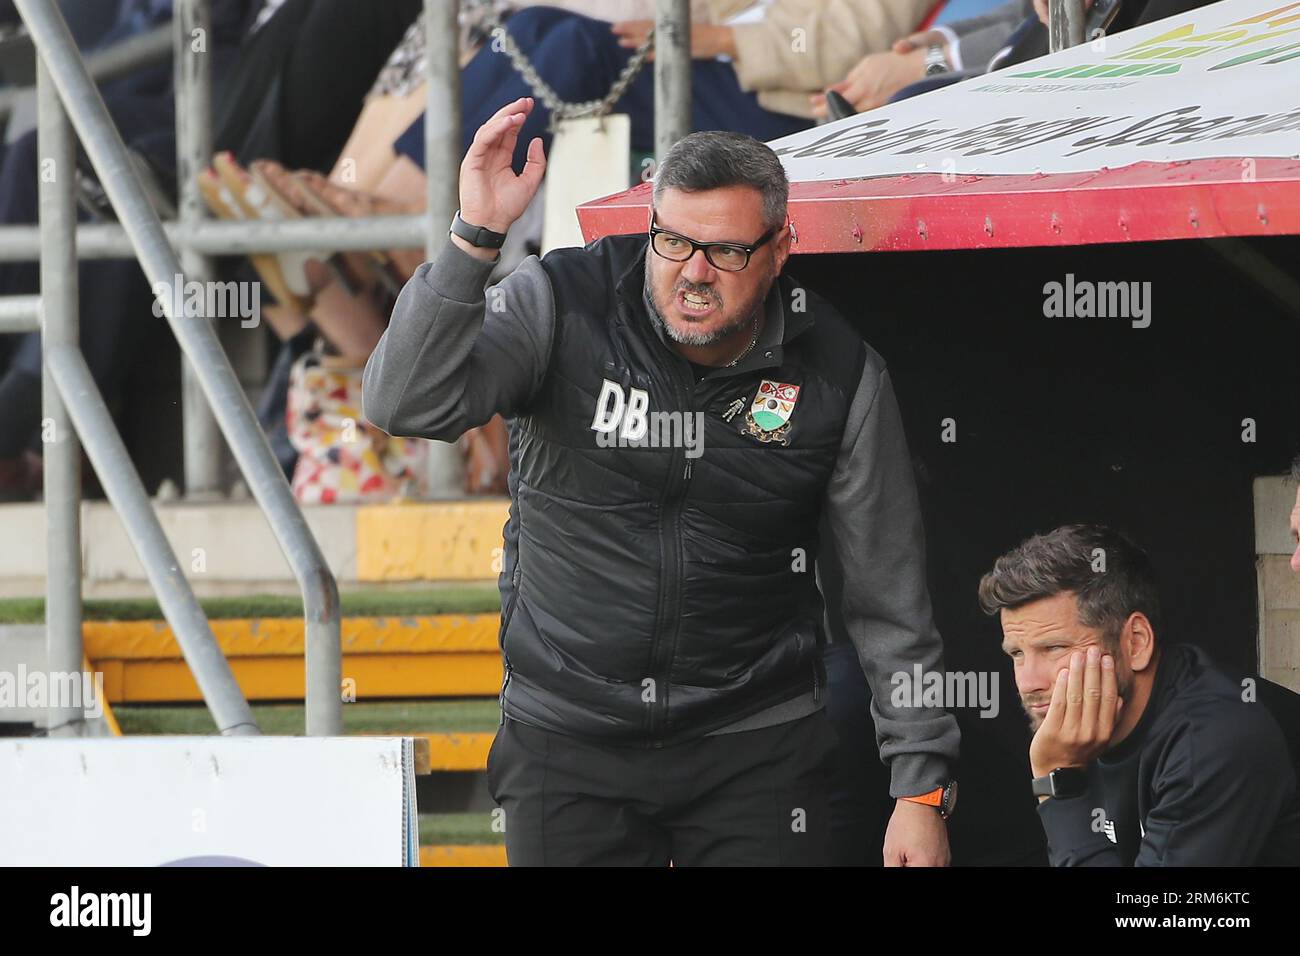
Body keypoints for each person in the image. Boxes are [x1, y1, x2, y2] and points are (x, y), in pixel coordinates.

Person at [363, 98, 960, 866]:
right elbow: (403, 402)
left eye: (725, 252)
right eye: (671, 241)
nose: (693, 274)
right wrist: (474, 238)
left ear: (782, 247)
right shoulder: (561, 302)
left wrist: (920, 792)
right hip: (568, 735)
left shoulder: (841, 373)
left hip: (757, 742)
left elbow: (890, 602)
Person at [980, 523, 1300, 866]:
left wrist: (1058, 781)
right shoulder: (1081, 732)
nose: (1028, 682)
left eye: (1055, 647)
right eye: (1016, 654)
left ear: (1135, 642)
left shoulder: (1214, 739)